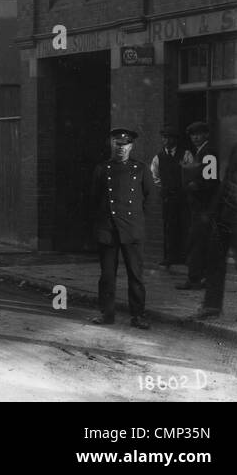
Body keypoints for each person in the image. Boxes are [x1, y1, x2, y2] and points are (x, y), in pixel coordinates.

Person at [89, 128, 154, 329]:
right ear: (112, 145)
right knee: (107, 275)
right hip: (108, 229)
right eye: (117, 144)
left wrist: (137, 220)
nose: (121, 148)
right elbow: (94, 199)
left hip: (132, 229)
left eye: (125, 145)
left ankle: (138, 316)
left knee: (136, 275)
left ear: (131, 146)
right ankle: (106, 313)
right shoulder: (102, 169)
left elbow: (150, 197)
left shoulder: (140, 168)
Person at [198, 118, 237, 322]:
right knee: (215, 260)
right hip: (224, 215)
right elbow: (226, 180)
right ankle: (211, 307)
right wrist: (213, 211)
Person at [177, 121, 218, 290]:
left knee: (197, 242)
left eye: (199, 134)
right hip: (203, 207)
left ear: (206, 135)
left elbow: (210, 181)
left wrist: (192, 185)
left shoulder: (207, 153)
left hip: (203, 207)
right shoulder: (201, 152)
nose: (195, 137)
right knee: (202, 242)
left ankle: (194, 279)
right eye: (193, 135)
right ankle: (203, 278)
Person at [150, 127, 186, 267]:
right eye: (164, 138)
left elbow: (190, 172)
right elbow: (155, 176)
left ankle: (183, 256)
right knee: (169, 226)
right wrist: (165, 188)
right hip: (168, 197)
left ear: (175, 140)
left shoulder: (185, 154)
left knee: (184, 225)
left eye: (170, 138)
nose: (166, 140)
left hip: (183, 196)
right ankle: (170, 257)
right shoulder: (158, 157)